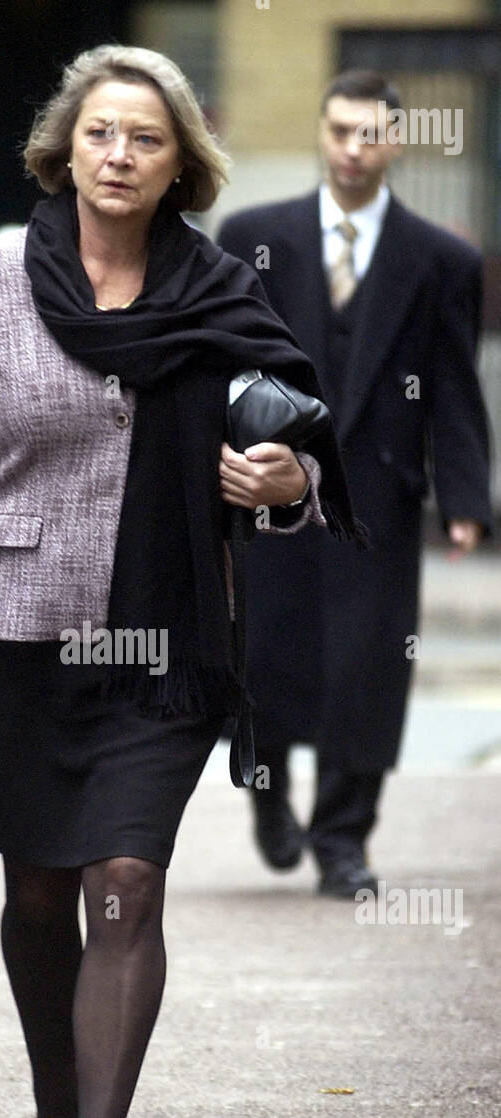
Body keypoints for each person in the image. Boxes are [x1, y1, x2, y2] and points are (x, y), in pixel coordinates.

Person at [0, 45, 361, 1118]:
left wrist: (287, 480)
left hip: (167, 639)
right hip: (18, 633)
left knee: (125, 883)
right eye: (101, 133)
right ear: (65, 147)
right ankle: (52, 1101)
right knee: (39, 893)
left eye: (146, 138)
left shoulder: (219, 290)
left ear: (179, 162)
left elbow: (289, 430)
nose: (120, 155)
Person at [217, 70, 493, 899]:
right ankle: (268, 801)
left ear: (395, 142)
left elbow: (453, 383)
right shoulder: (253, 235)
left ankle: (343, 841)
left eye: (368, 134)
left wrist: (468, 500)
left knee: (368, 667)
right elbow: (224, 364)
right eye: (338, 130)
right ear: (321, 132)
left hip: (378, 497)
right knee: (264, 657)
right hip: (269, 490)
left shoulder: (442, 259)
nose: (350, 148)